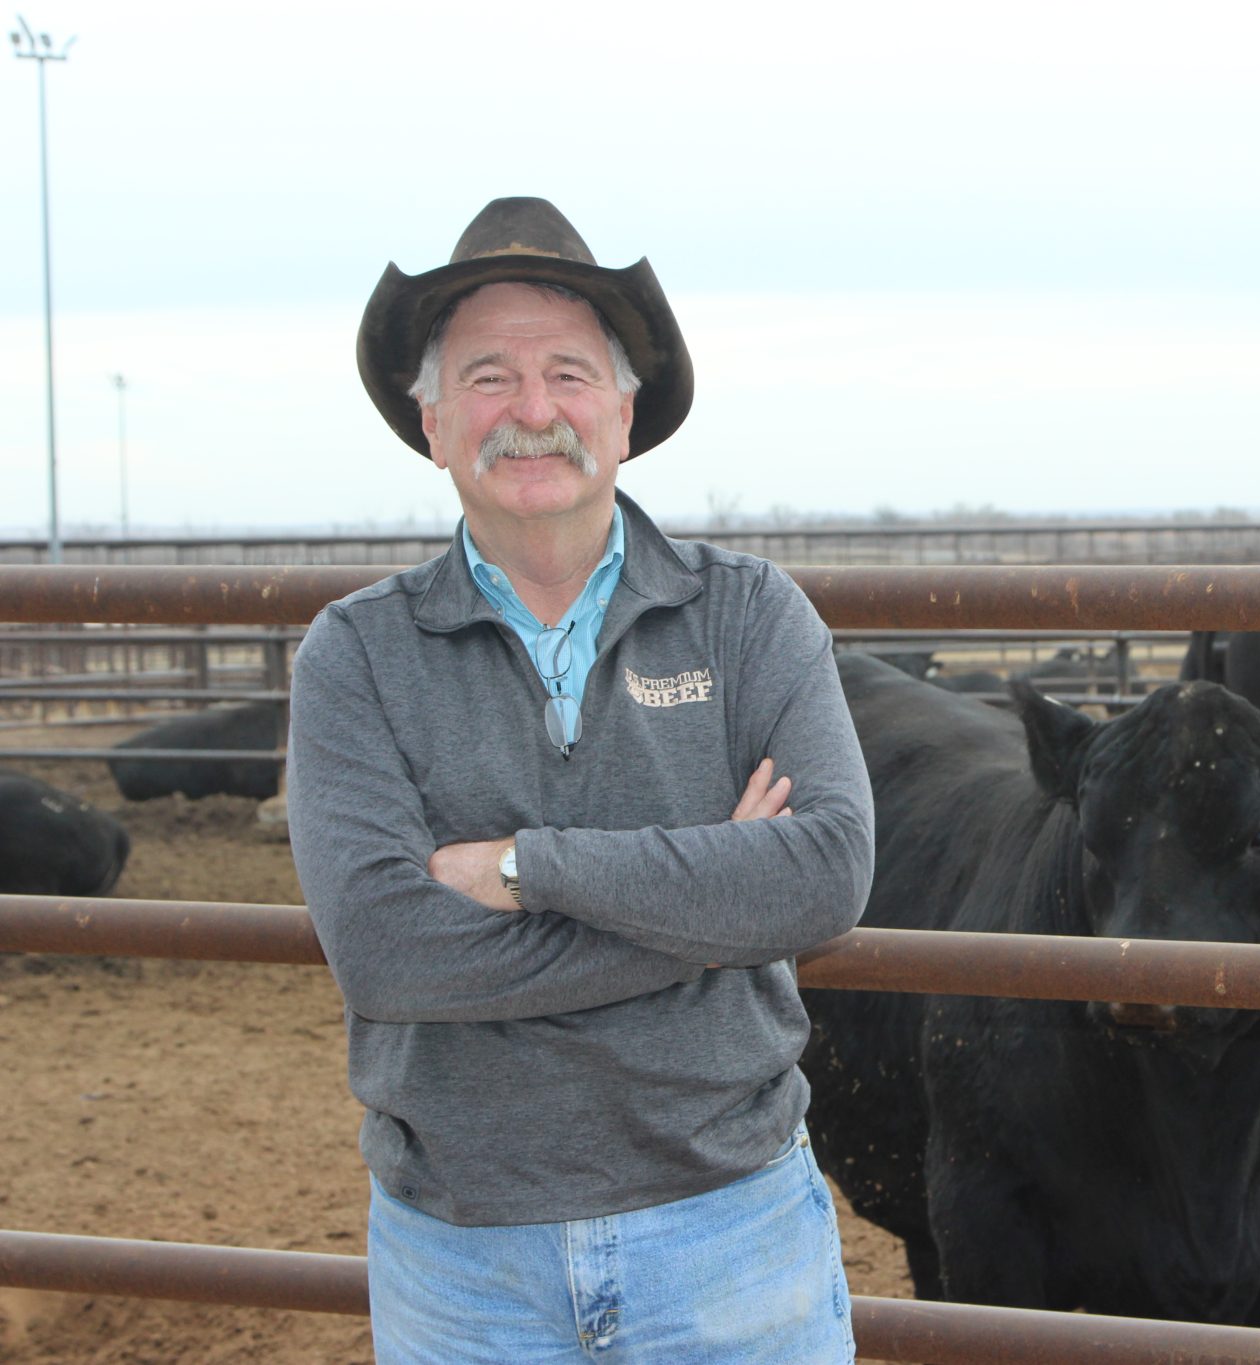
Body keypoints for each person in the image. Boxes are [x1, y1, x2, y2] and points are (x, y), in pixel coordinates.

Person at [288, 196, 874, 1363]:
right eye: (490, 379)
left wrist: (525, 868)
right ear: (433, 417)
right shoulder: (354, 653)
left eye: (567, 372)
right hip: (466, 1260)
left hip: (729, 1231)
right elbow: (387, 950)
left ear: (623, 408)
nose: (534, 413)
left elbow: (821, 879)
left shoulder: (749, 614)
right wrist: (710, 907)